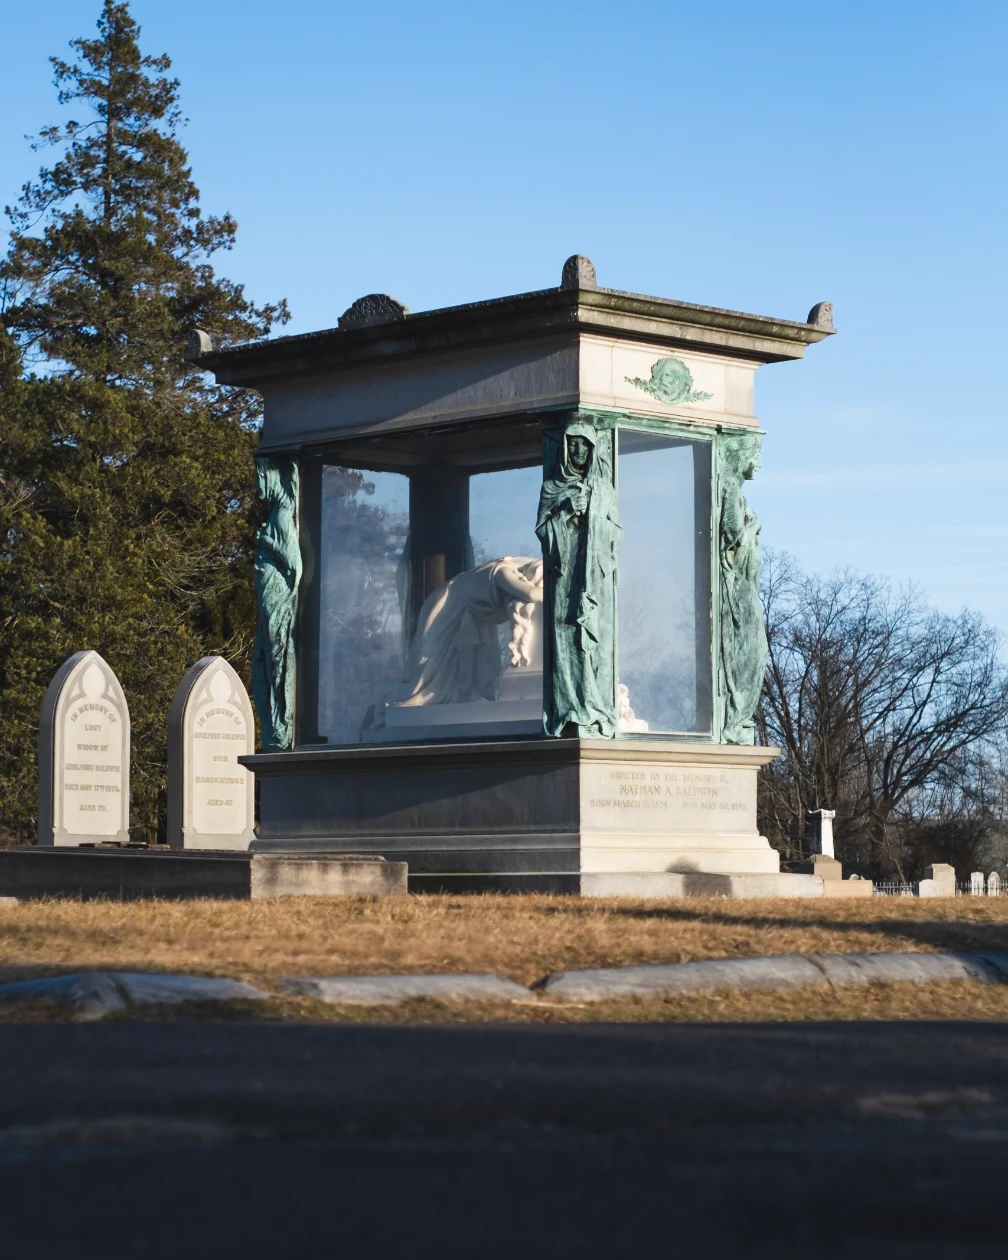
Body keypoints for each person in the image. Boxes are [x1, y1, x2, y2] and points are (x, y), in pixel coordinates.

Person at [536, 422, 621, 736]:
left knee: (593, 643)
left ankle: (595, 707)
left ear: (593, 448)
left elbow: (616, 533)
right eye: (572, 443)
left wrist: (596, 520)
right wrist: (567, 512)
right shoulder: (552, 487)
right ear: (564, 448)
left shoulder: (604, 489)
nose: (578, 450)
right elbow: (543, 532)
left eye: (584, 444)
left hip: (594, 580)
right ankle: (570, 708)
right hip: (564, 578)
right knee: (567, 638)